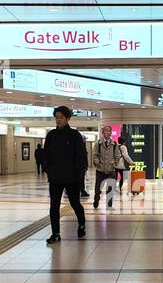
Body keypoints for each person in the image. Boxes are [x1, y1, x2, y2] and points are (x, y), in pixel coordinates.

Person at [42, 105, 87, 245]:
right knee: (54, 206)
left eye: (61, 117)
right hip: (55, 178)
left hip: (72, 178)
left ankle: (81, 224)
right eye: (56, 117)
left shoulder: (74, 135)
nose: (58, 120)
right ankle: (55, 233)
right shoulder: (51, 135)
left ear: (67, 118)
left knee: (75, 203)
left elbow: (81, 156)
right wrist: (48, 169)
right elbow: (46, 154)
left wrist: (78, 173)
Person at [92, 124, 122, 210]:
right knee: (98, 189)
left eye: (109, 131)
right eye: (106, 131)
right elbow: (95, 155)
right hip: (100, 170)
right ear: (102, 132)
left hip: (111, 171)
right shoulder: (98, 144)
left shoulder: (114, 144)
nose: (108, 132)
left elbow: (117, 155)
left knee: (110, 189)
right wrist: (97, 163)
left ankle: (109, 205)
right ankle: (96, 201)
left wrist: (114, 164)